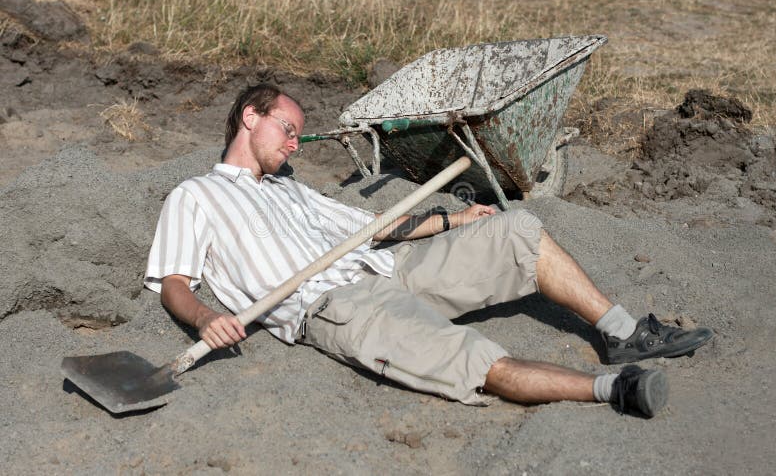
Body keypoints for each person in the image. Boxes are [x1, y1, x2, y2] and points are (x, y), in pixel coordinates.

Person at [145, 83, 714, 417]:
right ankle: (615, 388)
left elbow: (375, 228)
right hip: (338, 306)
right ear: (251, 117)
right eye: (288, 129)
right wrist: (206, 318)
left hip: (392, 267)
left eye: (297, 134)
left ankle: (622, 332)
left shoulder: (290, 188)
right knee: (472, 358)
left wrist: (454, 219)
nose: (295, 143)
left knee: (516, 229)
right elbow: (174, 283)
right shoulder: (197, 195)